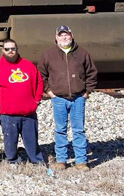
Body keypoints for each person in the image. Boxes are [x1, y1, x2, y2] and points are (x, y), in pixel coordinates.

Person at [38, 25, 98, 171]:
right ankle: (61, 160)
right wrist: (49, 92)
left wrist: (87, 92)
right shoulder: (48, 54)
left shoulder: (82, 53)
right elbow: (41, 75)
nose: (64, 38)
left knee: (78, 130)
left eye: (66, 35)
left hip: (78, 98)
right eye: (61, 35)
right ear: (56, 37)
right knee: (60, 130)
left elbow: (92, 73)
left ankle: (81, 161)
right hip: (59, 99)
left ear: (71, 35)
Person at [0, 39, 45, 165]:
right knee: (10, 140)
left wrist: (36, 100)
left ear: (17, 49)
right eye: (7, 49)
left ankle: (36, 161)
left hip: (28, 112)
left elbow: (39, 82)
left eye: (13, 48)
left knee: (31, 139)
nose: (10, 51)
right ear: (2, 50)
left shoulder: (28, 65)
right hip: (7, 113)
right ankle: (13, 161)